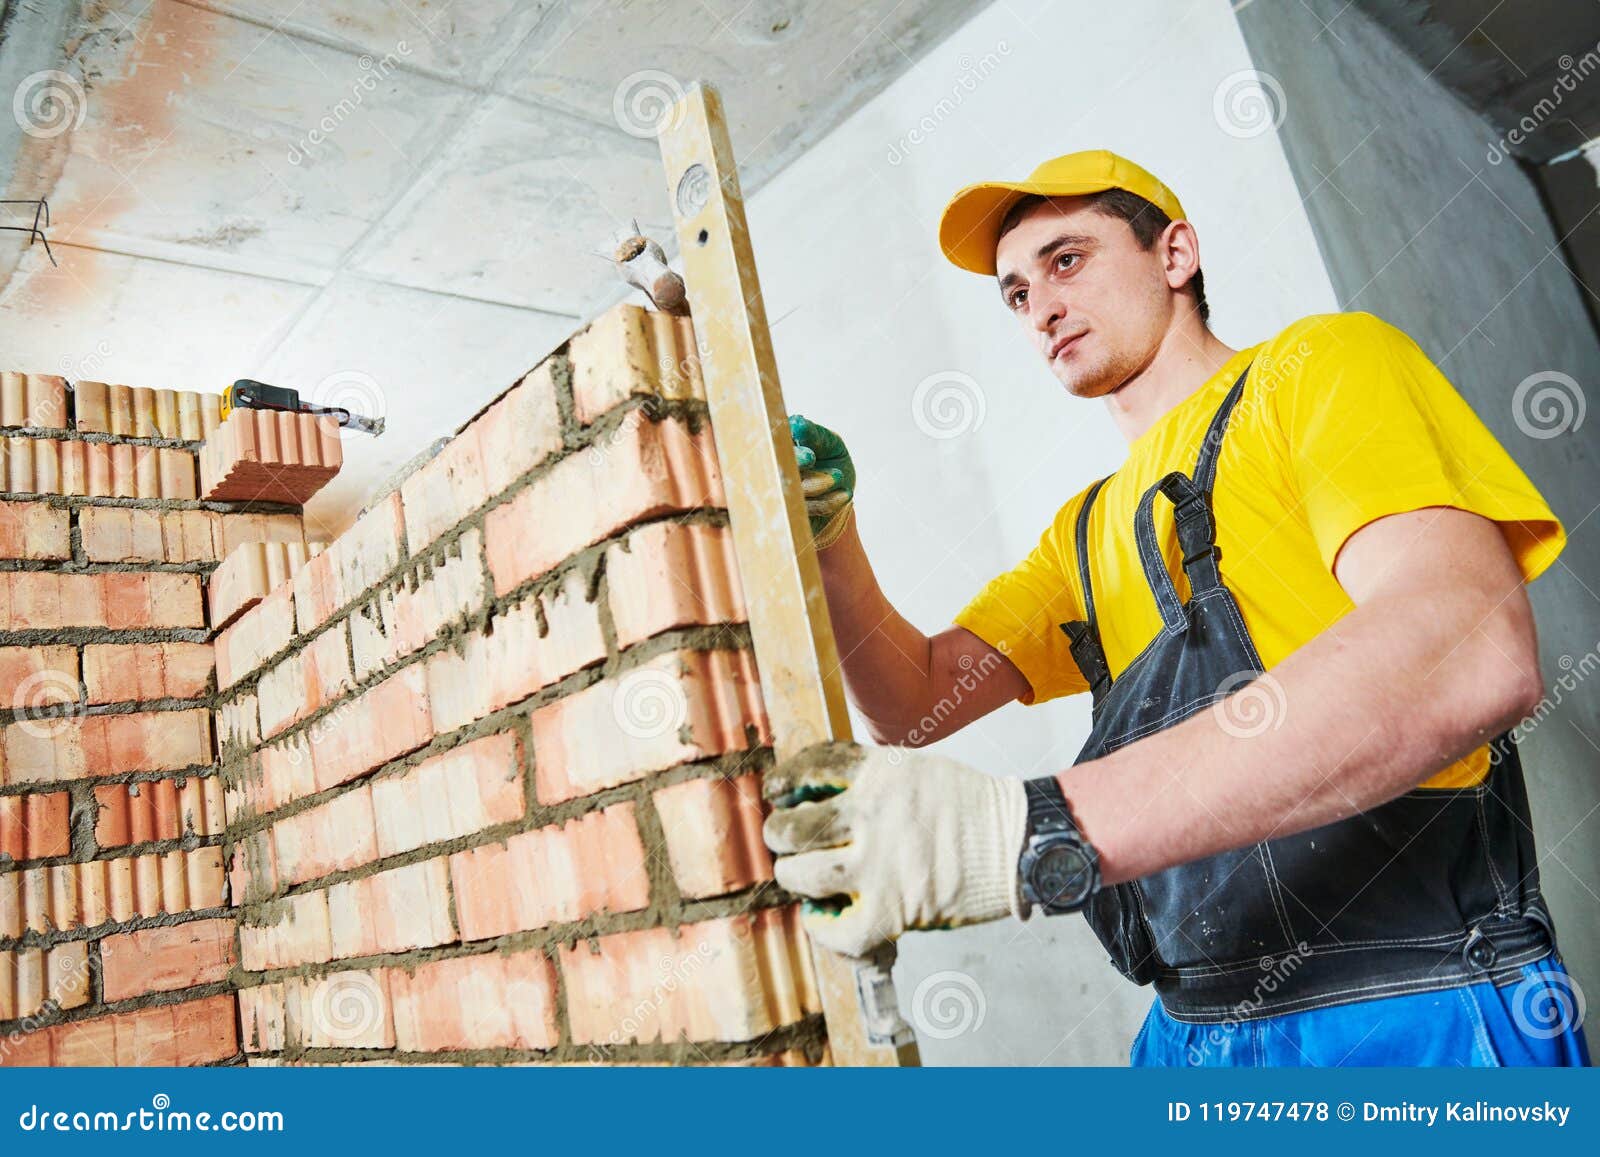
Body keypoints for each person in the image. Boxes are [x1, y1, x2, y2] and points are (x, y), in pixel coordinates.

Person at [762, 150, 1590, 1066]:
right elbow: (916, 702)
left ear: (1176, 254)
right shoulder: (1081, 533)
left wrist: (1035, 829)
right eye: (1014, 293)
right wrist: (828, 539)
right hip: (1189, 1034)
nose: (1039, 306)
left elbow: (1468, 651)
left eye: (1066, 260)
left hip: (1415, 1010)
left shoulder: (1319, 367)